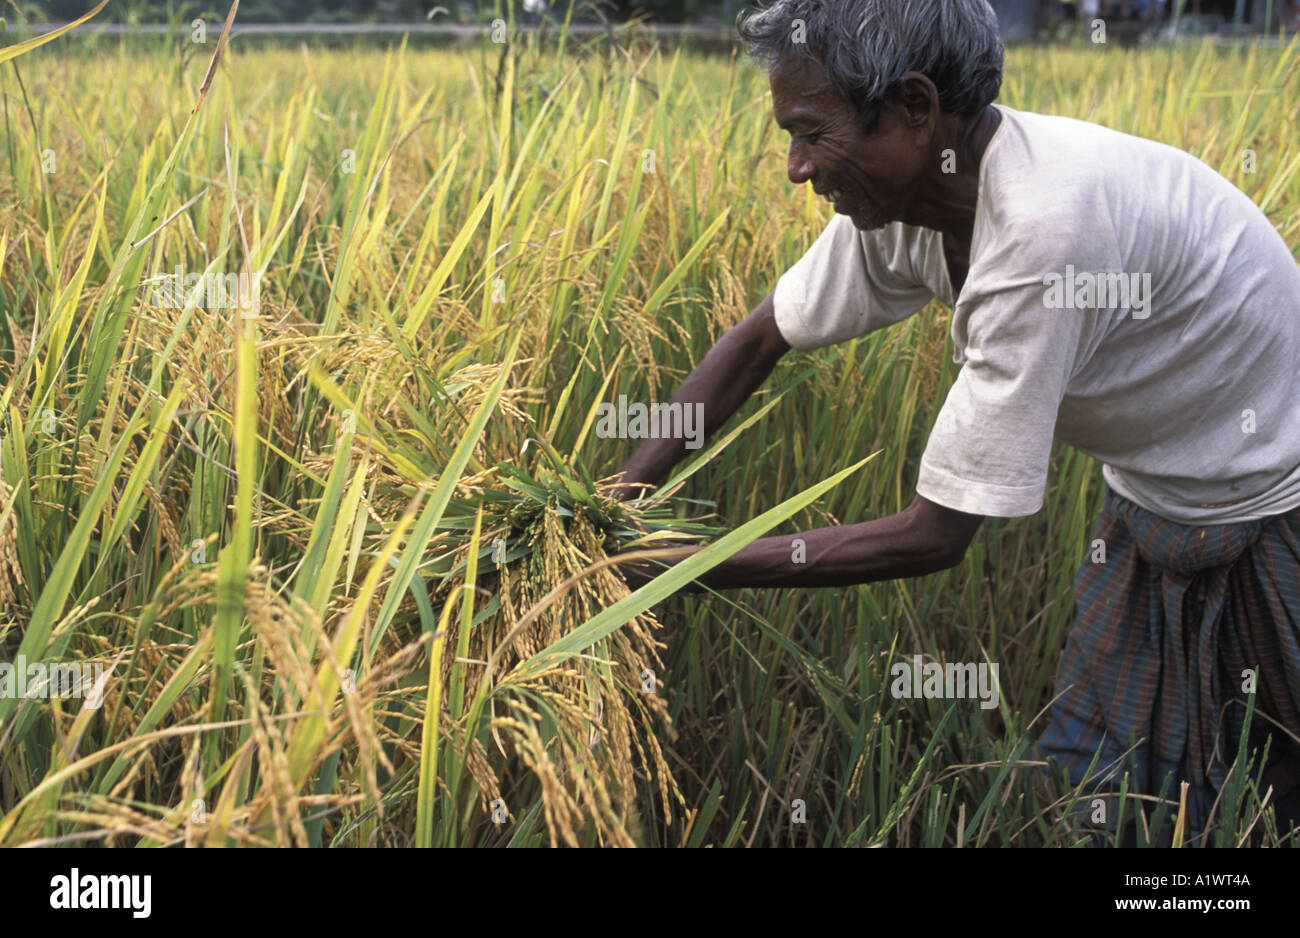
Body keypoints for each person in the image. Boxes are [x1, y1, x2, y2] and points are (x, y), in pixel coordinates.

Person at [608, 0, 1300, 844]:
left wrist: (677, 568)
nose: (794, 166)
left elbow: (935, 536)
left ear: (913, 108)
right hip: (1156, 496)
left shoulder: (1042, 231)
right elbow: (759, 339)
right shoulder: (903, 201)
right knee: (1109, 798)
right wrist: (609, 511)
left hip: (1277, 503)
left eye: (809, 133)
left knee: (1278, 776)